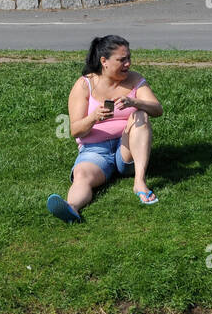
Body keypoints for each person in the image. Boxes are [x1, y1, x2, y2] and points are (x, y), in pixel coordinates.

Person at [47, 35, 163, 223]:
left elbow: (158, 109)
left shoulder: (135, 80)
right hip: (95, 151)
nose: (128, 64)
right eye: (121, 60)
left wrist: (135, 101)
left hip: (127, 149)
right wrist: (93, 118)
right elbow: (75, 130)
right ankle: (72, 208)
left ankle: (139, 182)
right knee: (81, 175)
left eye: (129, 58)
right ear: (104, 61)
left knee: (140, 114)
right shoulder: (85, 85)